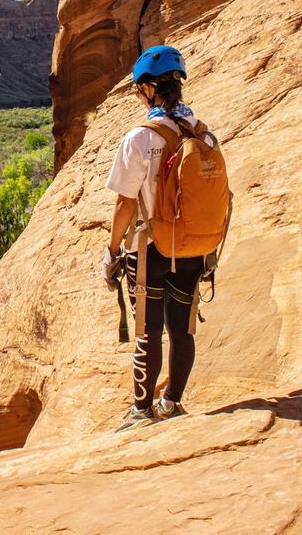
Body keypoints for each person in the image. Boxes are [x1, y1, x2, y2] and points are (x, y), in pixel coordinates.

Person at [102, 45, 214, 432]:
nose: (137, 94)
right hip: (193, 245)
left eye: (138, 89)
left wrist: (112, 252)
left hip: (149, 249)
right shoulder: (203, 133)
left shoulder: (139, 138)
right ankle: (171, 403)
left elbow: (124, 204)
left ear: (149, 88)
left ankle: (141, 411)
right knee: (182, 328)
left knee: (147, 331)